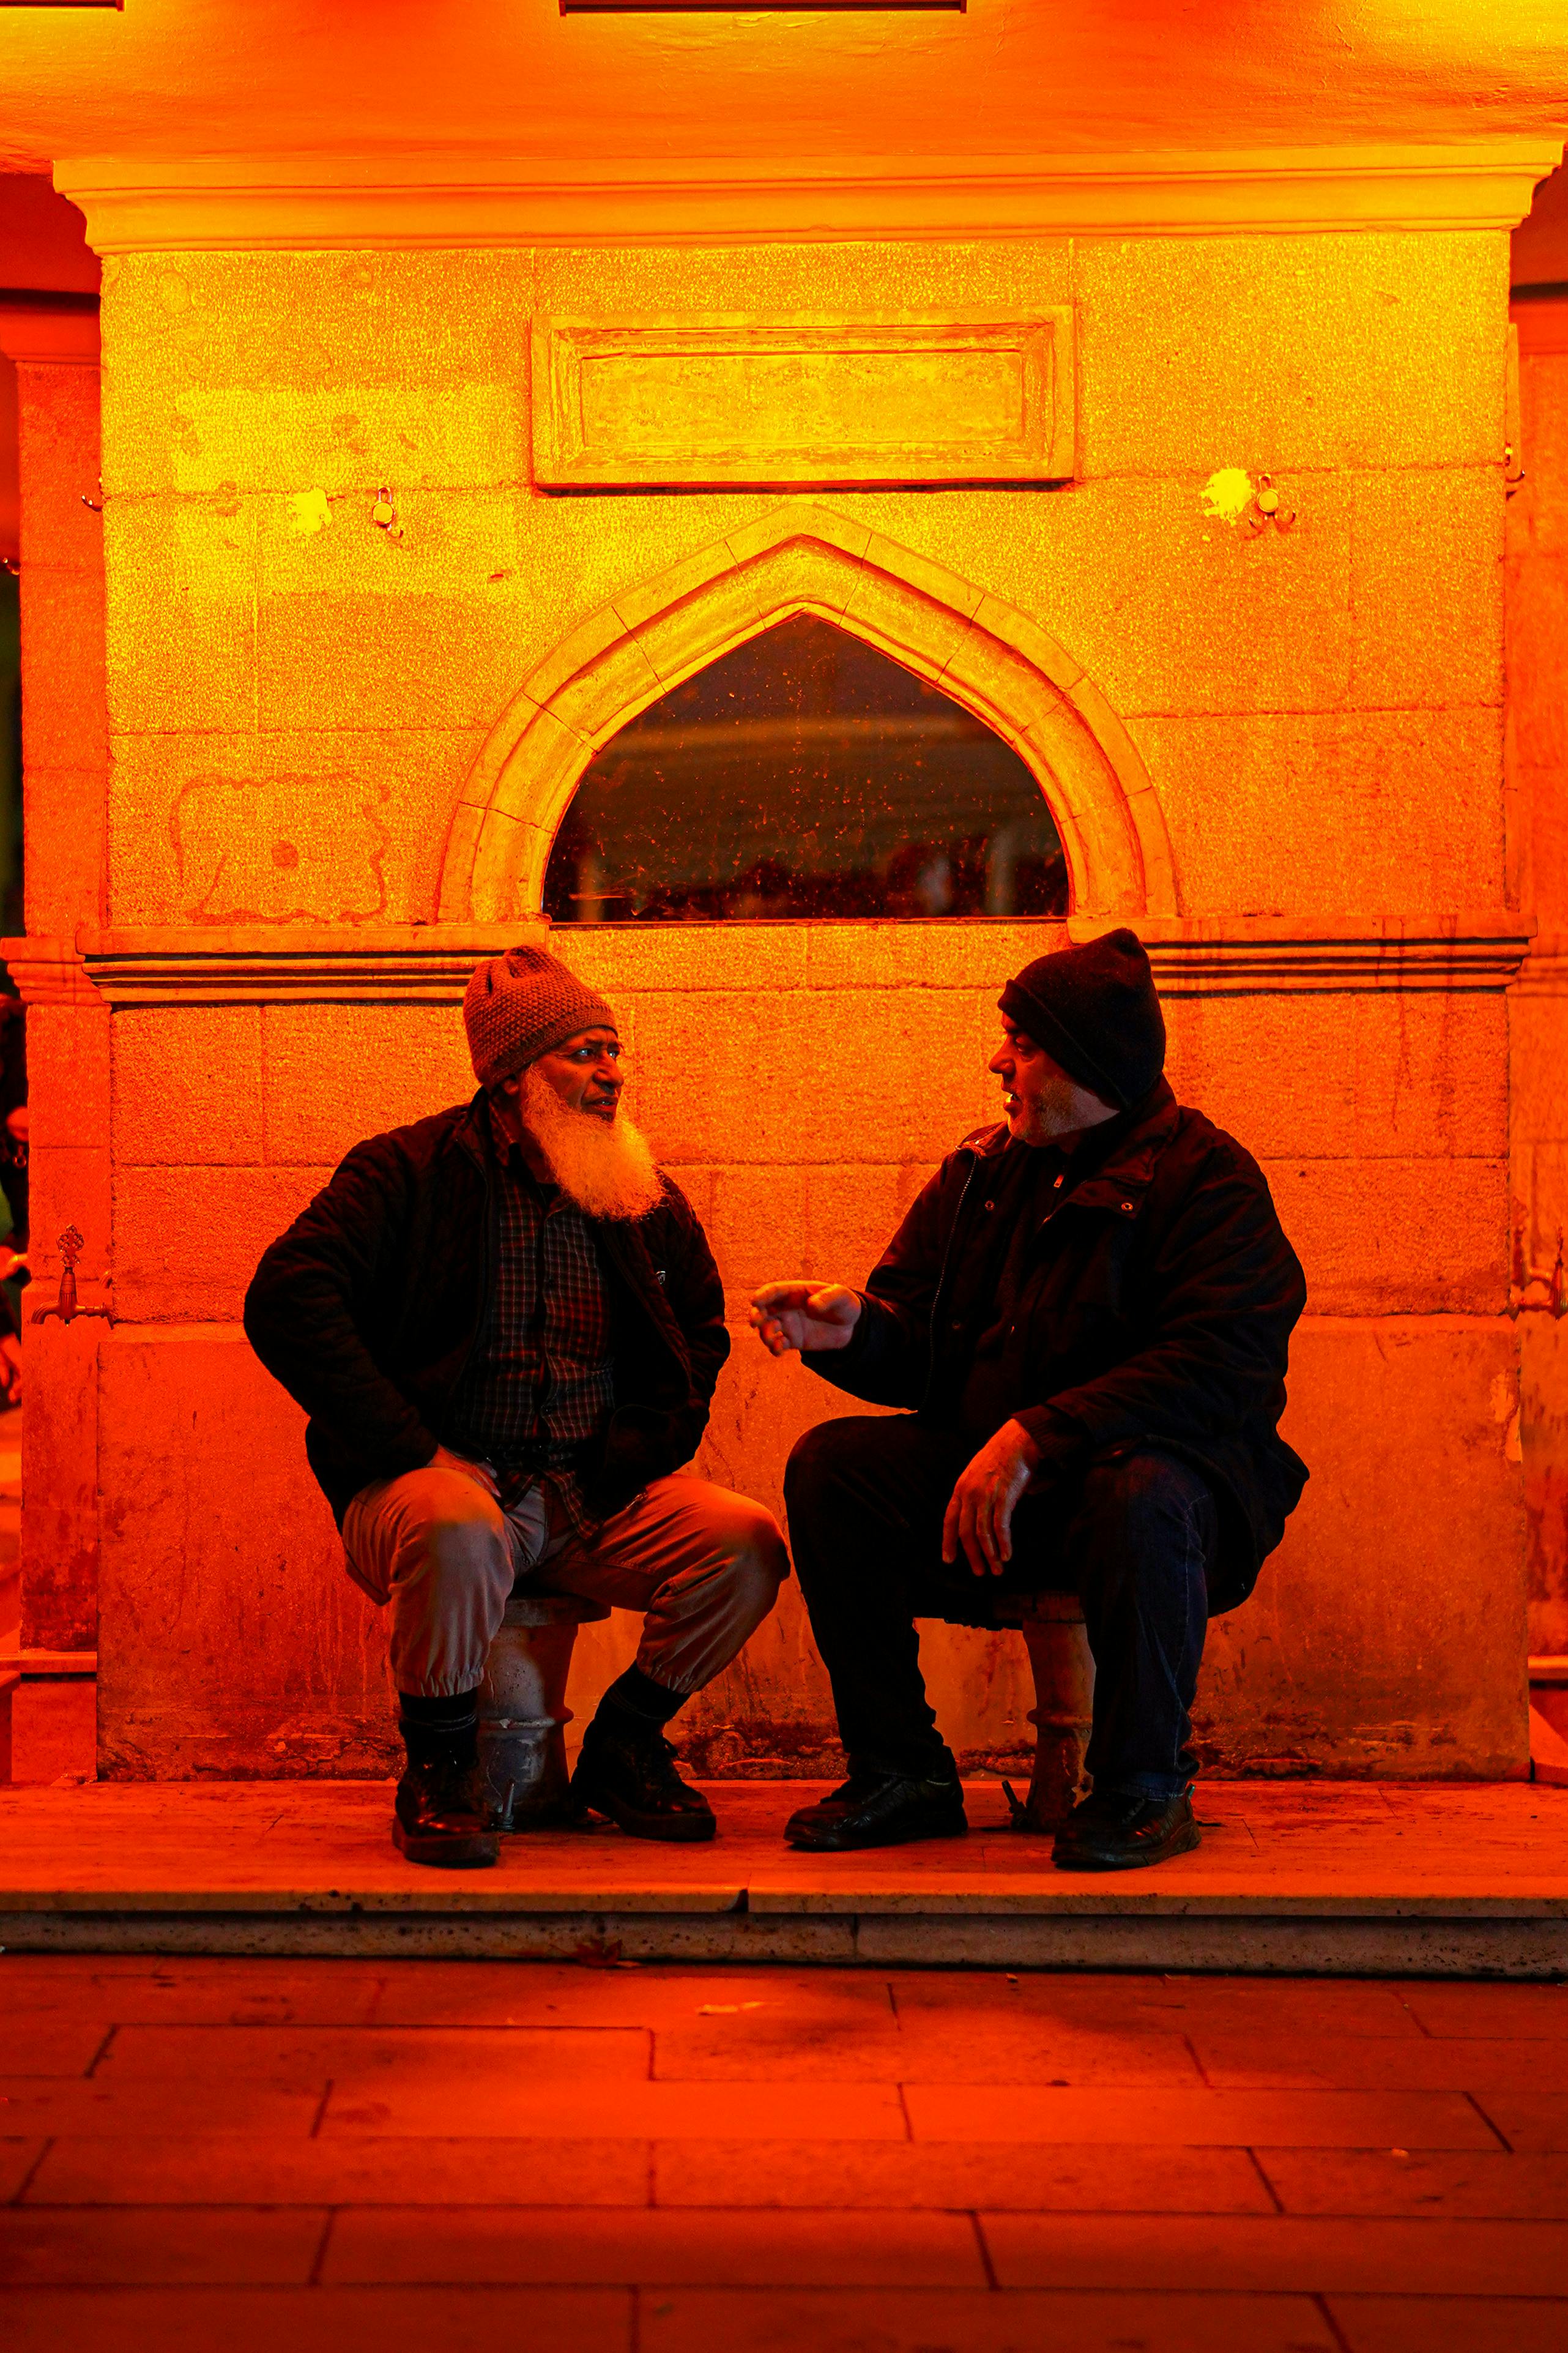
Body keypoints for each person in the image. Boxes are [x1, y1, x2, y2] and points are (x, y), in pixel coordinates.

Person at [751, 928, 1307, 1872]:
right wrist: (854, 1332)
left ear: (1092, 1063)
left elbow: (1221, 1363)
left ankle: (1143, 1785)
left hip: (1161, 1510)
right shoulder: (984, 1174)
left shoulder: (1206, 1178)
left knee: (1139, 1491)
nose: (998, 1062)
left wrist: (1037, 1435)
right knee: (833, 1468)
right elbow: (925, 1353)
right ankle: (902, 1770)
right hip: (1006, 1498)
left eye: (1025, 1043)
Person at [246, 944, 787, 1868]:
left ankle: (625, 1742)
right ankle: (440, 1768)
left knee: (747, 1545)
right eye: (582, 1053)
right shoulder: (405, 1173)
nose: (611, 1073)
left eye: (613, 1050)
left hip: (590, 1495)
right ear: (510, 1076)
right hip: (431, 1488)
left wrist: (643, 1448)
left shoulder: (640, 1197)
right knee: (458, 1523)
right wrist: (412, 1446)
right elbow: (286, 1297)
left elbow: (700, 1329)